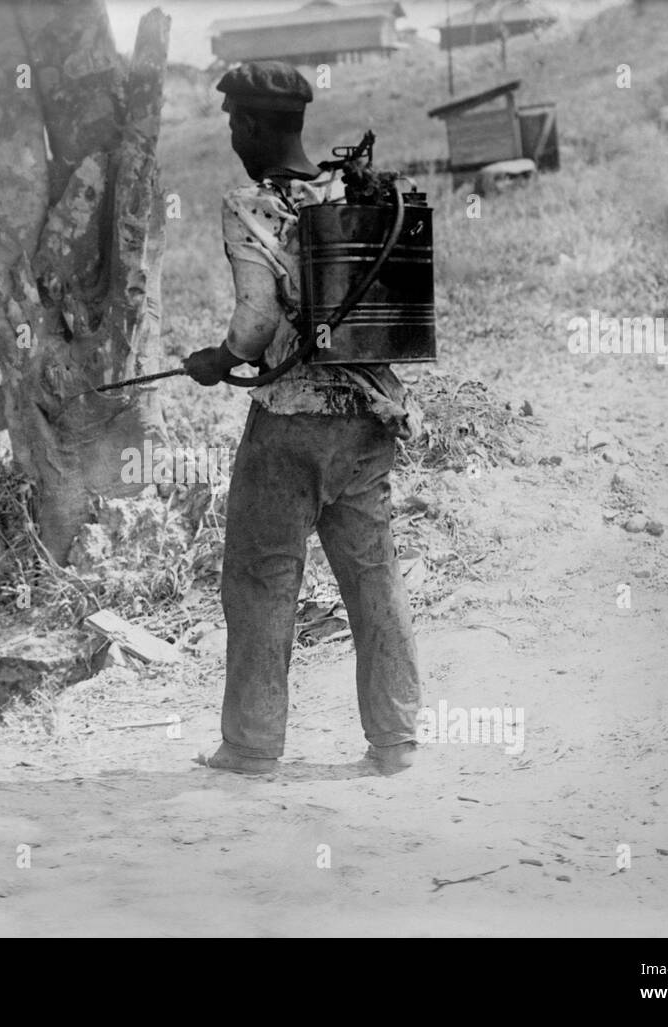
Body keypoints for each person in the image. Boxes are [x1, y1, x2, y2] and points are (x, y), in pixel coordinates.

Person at [185, 61, 423, 776]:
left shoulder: (249, 203)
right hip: (369, 416)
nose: (231, 137)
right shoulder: (359, 190)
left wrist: (218, 357)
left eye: (233, 123)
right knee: (374, 577)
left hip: (290, 420)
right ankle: (396, 742)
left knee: (260, 581)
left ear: (255, 125)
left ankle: (253, 746)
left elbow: (257, 320)